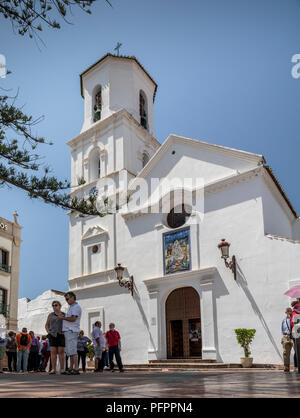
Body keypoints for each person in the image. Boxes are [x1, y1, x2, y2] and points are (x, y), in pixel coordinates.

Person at [58, 291, 82, 375]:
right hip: (69, 331)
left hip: (71, 330)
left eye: (67, 299)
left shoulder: (76, 307)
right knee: (70, 351)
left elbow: (73, 319)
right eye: (65, 299)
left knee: (73, 350)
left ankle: (76, 368)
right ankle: (71, 368)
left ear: (72, 297)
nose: (66, 300)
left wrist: (63, 318)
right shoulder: (72, 307)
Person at [45, 300, 66, 375]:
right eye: (53, 305)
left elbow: (67, 324)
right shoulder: (50, 315)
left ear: (60, 306)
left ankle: (62, 369)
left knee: (61, 352)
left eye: (56, 305)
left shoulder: (64, 314)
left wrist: (65, 332)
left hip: (61, 335)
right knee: (53, 353)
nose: (54, 306)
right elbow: (46, 325)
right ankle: (53, 369)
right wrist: (49, 332)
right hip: (53, 335)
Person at [281, 307, 293, 372]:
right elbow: (282, 329)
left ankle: (297, 366)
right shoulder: (284, 320)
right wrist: (283, 337)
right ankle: (286, 367)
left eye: (290, 311)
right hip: (286, 336)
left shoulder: (294, 318)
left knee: (297, 351)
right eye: (287, 311)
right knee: (285, 352)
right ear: (285, 313)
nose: (289, 312)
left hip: (293, 336)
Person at [291, 300, 300, 373]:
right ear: (297, 306)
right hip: (297, 334)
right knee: (297, 350)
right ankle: (297, 367)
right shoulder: (294, 313)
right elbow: (293, 323)